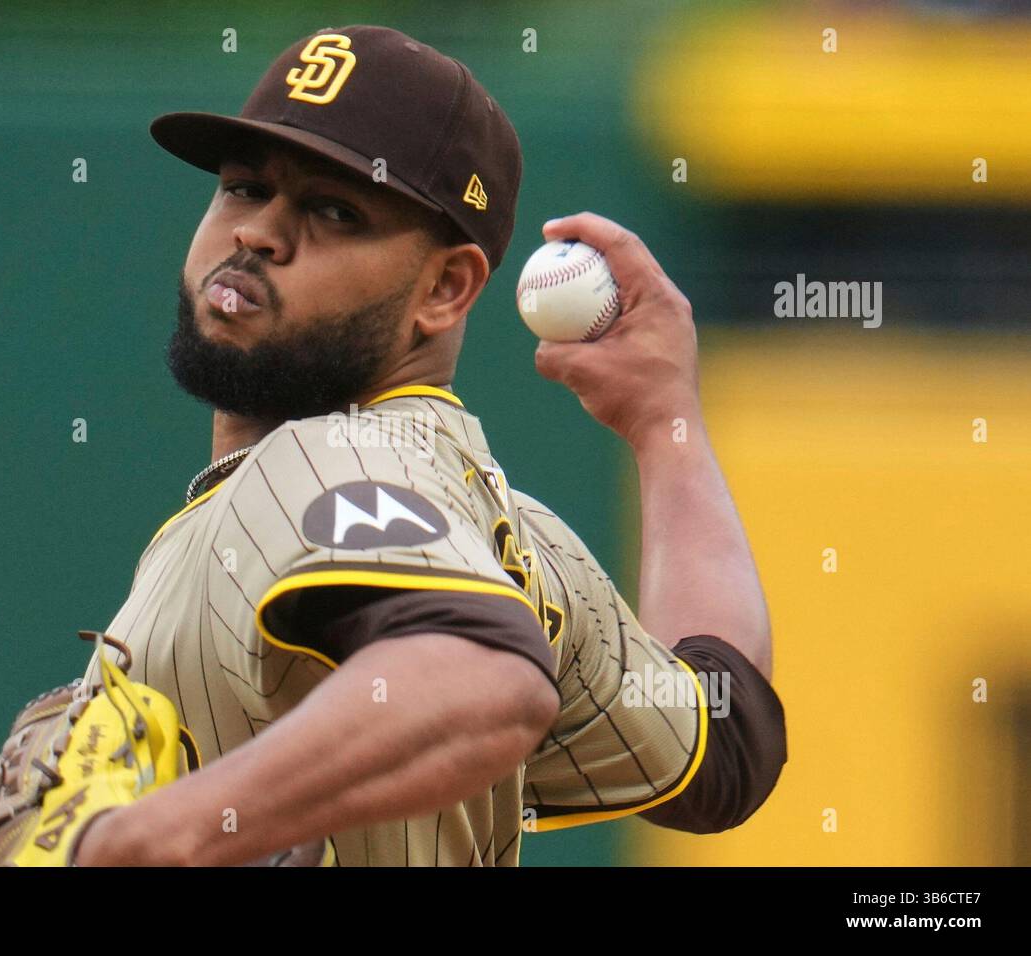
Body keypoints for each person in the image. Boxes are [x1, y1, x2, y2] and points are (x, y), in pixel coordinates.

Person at [71, 24, 786, 866]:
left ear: (445, 289)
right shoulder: (517, 542)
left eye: (334, 210)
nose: (258, 233)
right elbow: (725, 742)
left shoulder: (325, 461)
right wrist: (668, 428)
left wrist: (162, 832)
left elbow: (485, 678)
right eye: (243, 188)